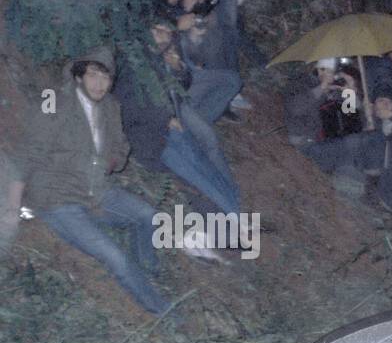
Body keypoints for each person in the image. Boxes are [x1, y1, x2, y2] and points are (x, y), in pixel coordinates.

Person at [2, 48, 168, 314]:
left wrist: (111, 162)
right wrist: (12, 205)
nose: (100, 84)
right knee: (116, 257)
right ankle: (166, 313)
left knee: (149, 215)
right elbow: (28, 153)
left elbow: (122, 147)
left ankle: (148, 269)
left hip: (97, 193)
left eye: (106, 78)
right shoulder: (54, 100)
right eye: (93, 75)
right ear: (79, 76)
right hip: (59, 199)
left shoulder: (111, 107)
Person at [115, 22, 243, 237]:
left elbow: (181, 89)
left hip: (175, 133)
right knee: (199, 180)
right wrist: (165, 118)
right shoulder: (134, 62)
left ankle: (235, 218)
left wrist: (177, 68)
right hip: (154, 139)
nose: (162, 35)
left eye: (165, 30)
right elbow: (129, 105)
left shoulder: (163, 55)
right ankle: (230, 229)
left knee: (208, 173)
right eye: (156, 30)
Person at [284, 60, 385, 195]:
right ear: (318, 69)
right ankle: (353, 185)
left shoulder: (335, 91)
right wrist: (322, 87)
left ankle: (367, 182)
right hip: (309, 147)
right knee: (355, 142)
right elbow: (296, 109)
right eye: (327, 70)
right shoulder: (300, 83)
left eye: (334, 71)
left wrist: (351, 93)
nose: (332, 75)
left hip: (333, 143)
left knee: (370, 137)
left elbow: (352, 121)